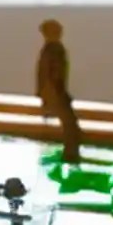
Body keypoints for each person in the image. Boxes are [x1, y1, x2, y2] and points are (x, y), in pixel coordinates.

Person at [36, 19, 81, 163]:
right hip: (55, 93)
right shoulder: (54, 49)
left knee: (70, 124)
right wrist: (54, 94)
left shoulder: (50, 49)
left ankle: (70, 153)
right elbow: (53, 74)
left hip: (54, 92)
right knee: (70, 124)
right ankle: (70, 155)